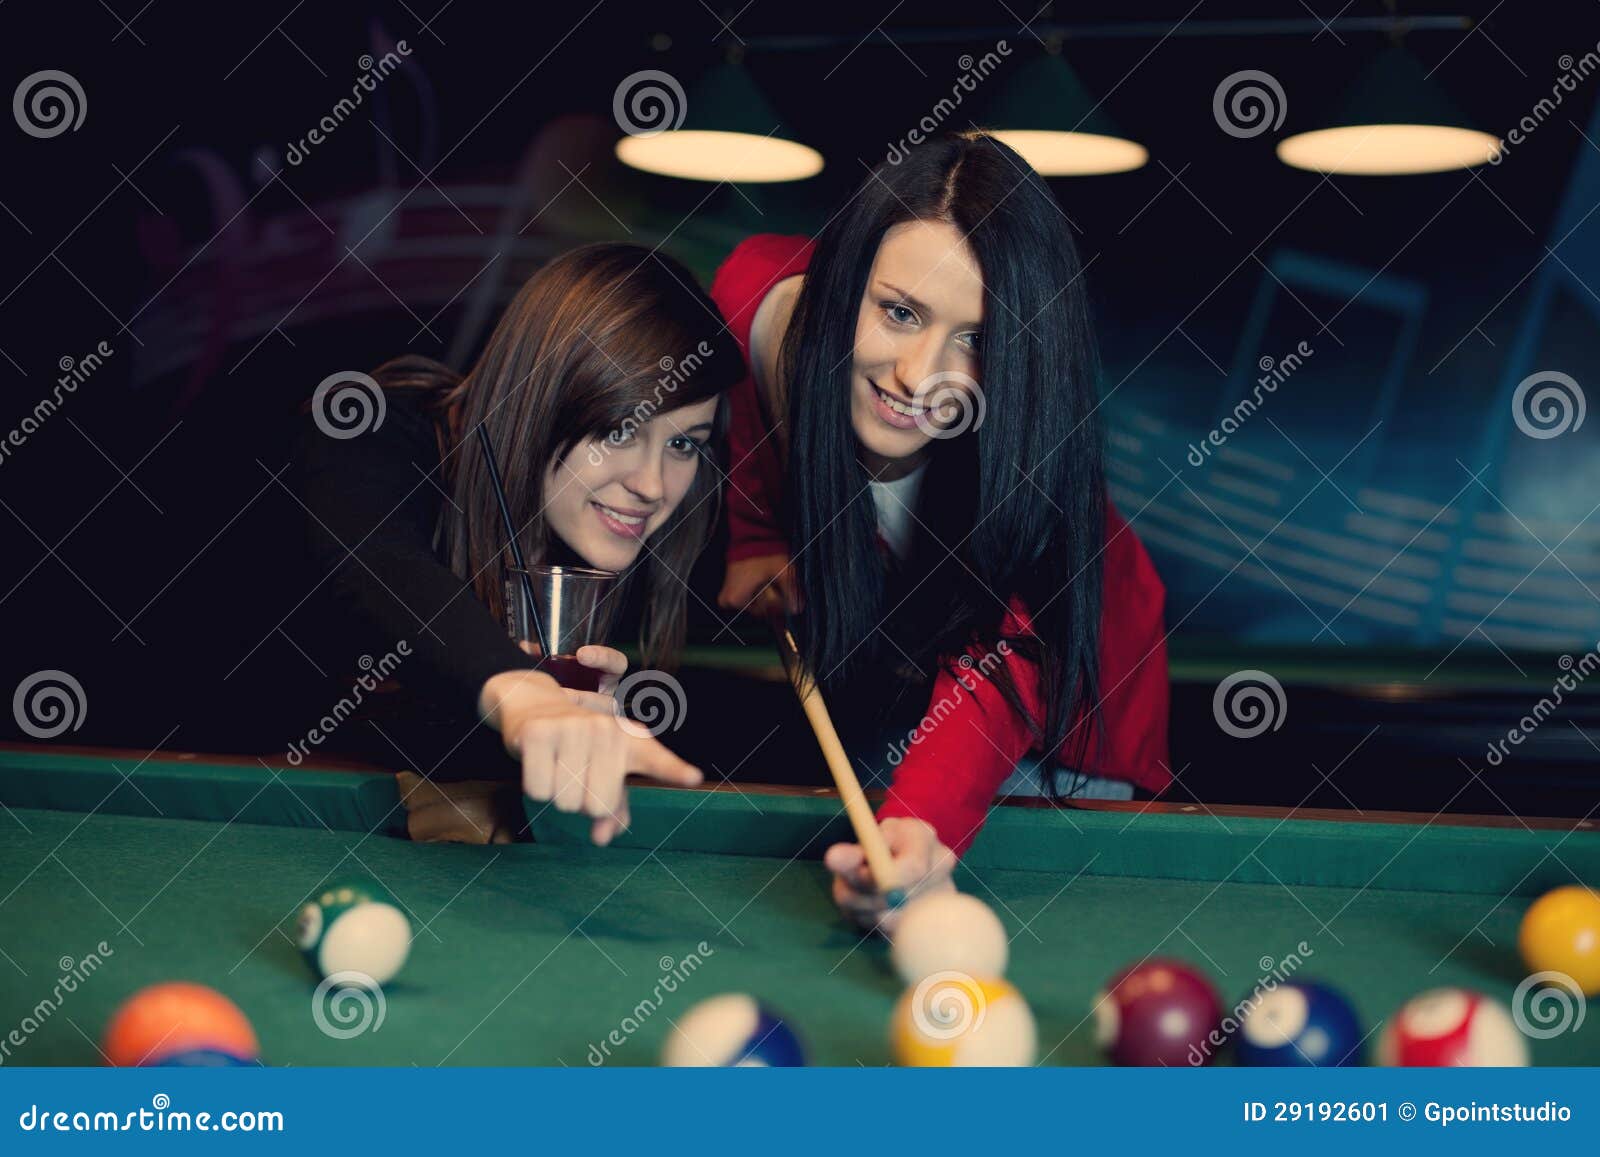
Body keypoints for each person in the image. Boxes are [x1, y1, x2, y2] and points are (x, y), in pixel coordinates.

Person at [710, 132, 1170, 930]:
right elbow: (752, 405)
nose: (921, 378)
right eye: (899, 312)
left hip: (1065, 721)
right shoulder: (760, 315)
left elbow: (999, 668)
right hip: (910, 679)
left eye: (979, 340)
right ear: (842, 286)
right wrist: (754, 534)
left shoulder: (1029, 463)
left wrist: (919, 822)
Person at [293, 243, 742, 844]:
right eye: (619, 430)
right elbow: (379, 566)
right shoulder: (378, 429)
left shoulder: (611, 534)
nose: (653, 485)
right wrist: (522, 692)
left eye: (684, 443)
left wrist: (564, 714)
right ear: (541, 399)